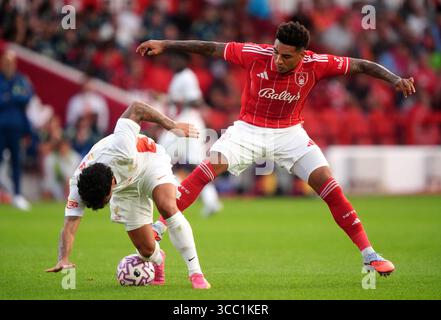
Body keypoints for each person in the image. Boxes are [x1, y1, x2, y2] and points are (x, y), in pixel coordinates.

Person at [137, 21, 417, 276]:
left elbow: (362, 65)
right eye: (275, 52)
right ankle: (159, 227)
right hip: (248, 130)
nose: (277, 60)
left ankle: (369, 254)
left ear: (302, 54)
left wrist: (394, 79)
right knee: (206, 169)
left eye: (286, 56)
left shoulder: (318, 63)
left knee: (330, 187)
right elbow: (210, 47)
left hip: (290, 134)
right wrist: (164, 44)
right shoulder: (254, 54)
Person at [45, 100, 211, 289]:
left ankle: (195, 273)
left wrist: (172, 126)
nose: (107, 203)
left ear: (111, 184)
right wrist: (63, 258)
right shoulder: (79, 185)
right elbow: (70, 225)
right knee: (146, 250)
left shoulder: (120, 148)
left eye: (107, 199)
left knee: (167, 206)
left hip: (150, 162)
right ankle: (159, 258)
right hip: (126, 190)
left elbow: (136, 108)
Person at [158, 52, 222, 217]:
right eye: (173, 58)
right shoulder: (178, 77)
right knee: (166, 159)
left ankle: (211, 201)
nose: (173, 61)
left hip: (190, 121)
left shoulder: (187, 75)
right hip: (179, 122)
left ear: (184, 60)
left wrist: (173, 100)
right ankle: (176, 196)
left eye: (177, 58)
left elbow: (196, 101)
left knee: (192, 163)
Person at [0, 49, 34, 211]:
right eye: (5, 62)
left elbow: (27, 97)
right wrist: (13, 96)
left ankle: (18, 195)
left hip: (16, 129)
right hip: (1, 127)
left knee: (16, 162)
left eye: (10, 62)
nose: (8, 65)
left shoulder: (20, 80)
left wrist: (8, 96)